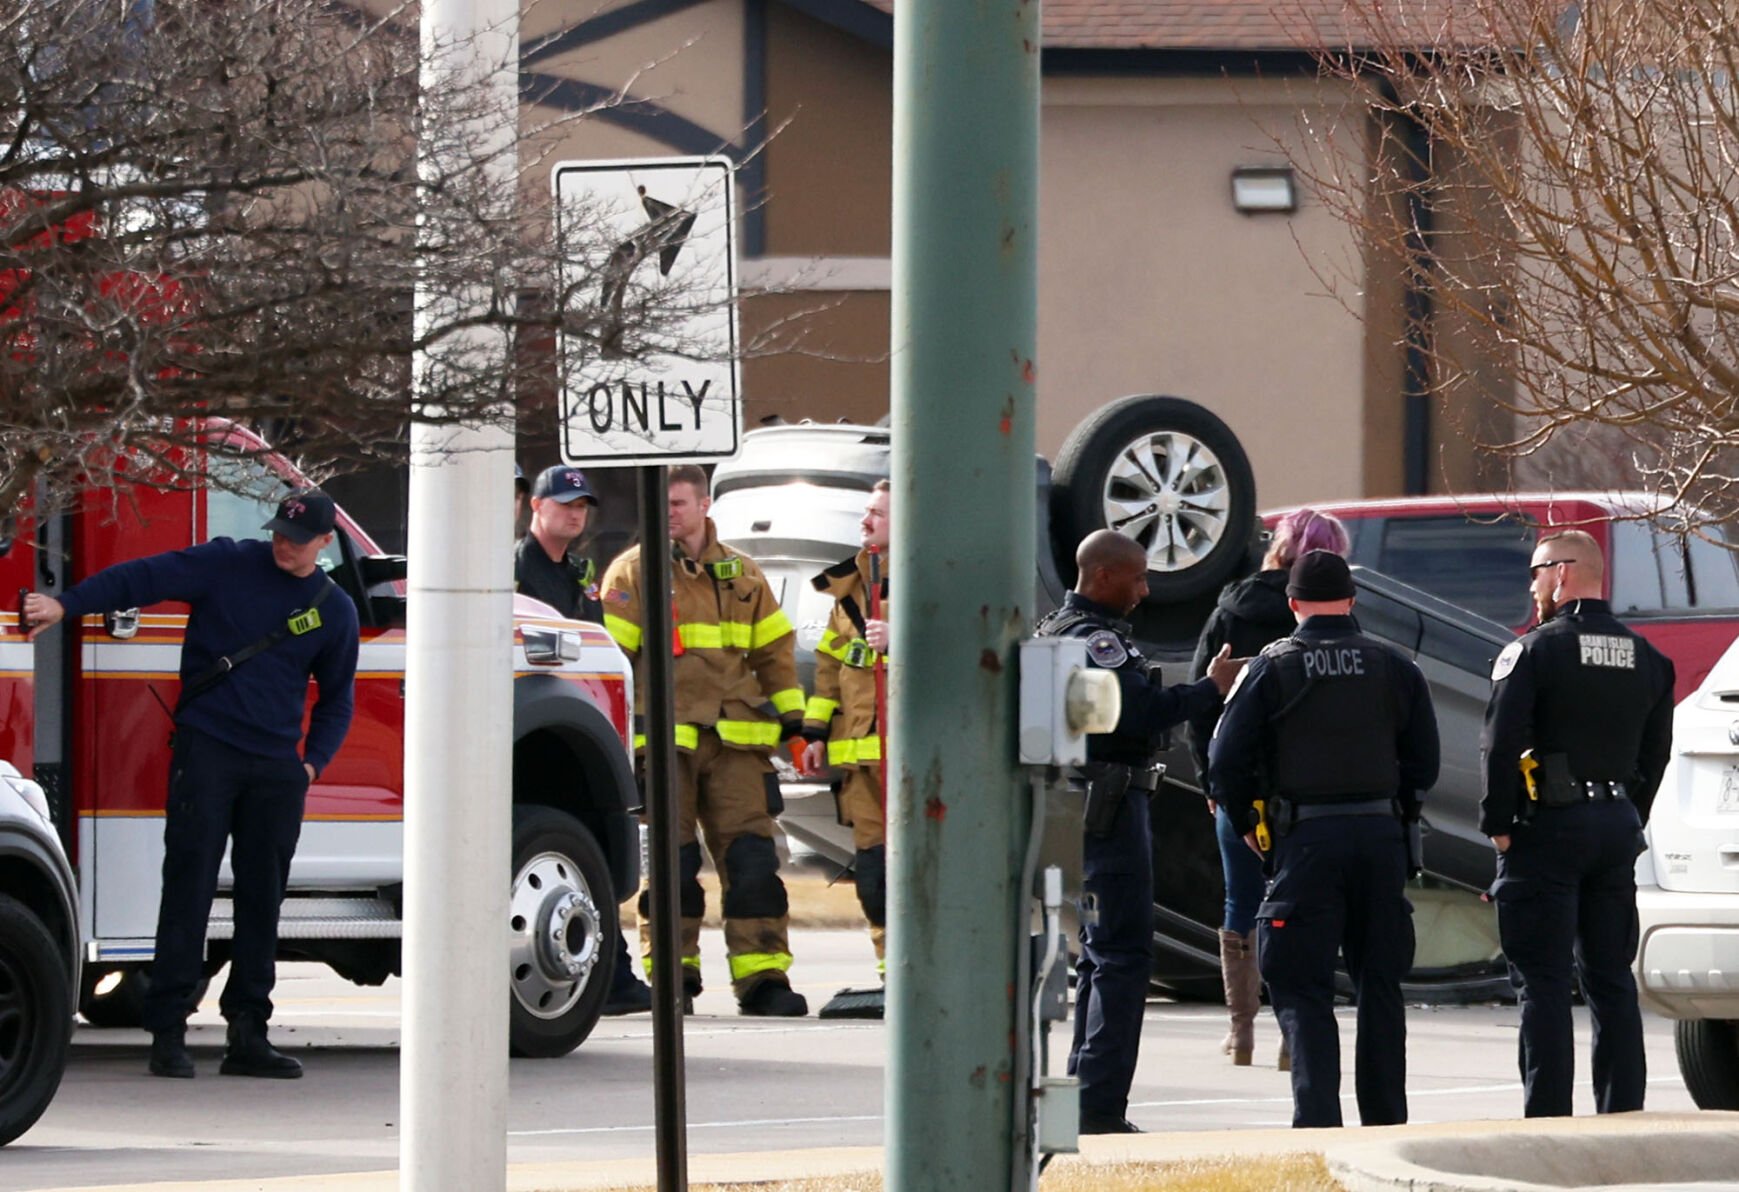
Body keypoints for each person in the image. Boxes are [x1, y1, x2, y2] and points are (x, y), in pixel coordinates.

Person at [25, 491, 359, 1080]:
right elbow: (142, 577)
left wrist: (311, 767)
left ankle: (249, 1034)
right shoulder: (228, 562)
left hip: (277, 770)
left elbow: (336, 701)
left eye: (298, 538)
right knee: (189, 888)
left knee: (263, 901)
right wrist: (65, 605)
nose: (284, 543)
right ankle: (168, 1031)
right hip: (208, 753)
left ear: (324, 543)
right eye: (279, 531)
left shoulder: (335, 610)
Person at [1208, 550, 1439, 1129]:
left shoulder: (1273, 666)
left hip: (1305, 842)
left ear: (1292, 605)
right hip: (1381, 840)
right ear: (1353, 601)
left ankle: (1317, 1123)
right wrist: (1400, 814)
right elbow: (1425, 761)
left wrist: (1248, 825)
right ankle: (1385, 1122)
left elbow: (1224, 759)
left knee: (1300, 982)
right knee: (1380, 985)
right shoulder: (1394, 665)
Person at [1034, 530, 1243, 1135]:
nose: (1146, 589)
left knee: (1095, 958)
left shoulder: (1056, 629)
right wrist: (1210, 689)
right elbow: (1137, 712)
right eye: (1138, 578)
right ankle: (1098, 1106)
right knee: (1123, 957)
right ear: (1103, 577)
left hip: (1071, 808)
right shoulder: (1097, 641)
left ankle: (1080, 1097)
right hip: (1110, 807)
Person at [599, 464, 810, 1017]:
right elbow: (613, 667)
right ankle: (674, 979)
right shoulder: (631, 575)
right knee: (673, 867)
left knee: (754, 865)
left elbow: (774, 657)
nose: (668, 513)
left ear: (704, 505)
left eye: (678, 504)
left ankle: (763, 978)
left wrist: (794, 724)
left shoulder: (743, 574)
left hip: (738, 744)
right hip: (664, 746)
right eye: (661, 504)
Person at [1480, 529, 1674, 1118]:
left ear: (1563, 575)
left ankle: (1547, 1123)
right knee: (1611, 980)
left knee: (1541, 982)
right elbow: (1655, 754)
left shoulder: (1535, 651)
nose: (1533, 584)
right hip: (1615, 825)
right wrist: (1626, 813)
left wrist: (1500, 823)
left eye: (1538, 572)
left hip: (1547, 829)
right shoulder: (1648, 658)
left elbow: (1500, 743)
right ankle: (1622, 1117)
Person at [1190, 508, 1350, 1069]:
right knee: (1303, 903)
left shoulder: (1230, 610)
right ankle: (1292, 1030)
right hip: (1308, 785)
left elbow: (1202, 694)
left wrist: (1213, 777)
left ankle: (1241, 1032)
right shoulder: (1330, 619)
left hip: (1238, 780)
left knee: (1241, 899)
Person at [513, 463, 652, 1017]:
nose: (573, 513)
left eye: (581, 506)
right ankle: (610, 974)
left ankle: (613, 973)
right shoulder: (514, 571)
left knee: (588, 848)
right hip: (532, 736)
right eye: (563, 503)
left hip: (572, 729)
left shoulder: (577, 575)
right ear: (535, 508)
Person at [800, 480, 892, 1004]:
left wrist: (901, 641)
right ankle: (891, 976)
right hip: (861, 764)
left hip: (913, 768)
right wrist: (815, 733)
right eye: (866, 512)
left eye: (876, 513)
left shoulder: (930, 579)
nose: (865, 521)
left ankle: (928, 969)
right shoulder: (849, 589)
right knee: (875, 878)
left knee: (917, 875)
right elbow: (831, 671)